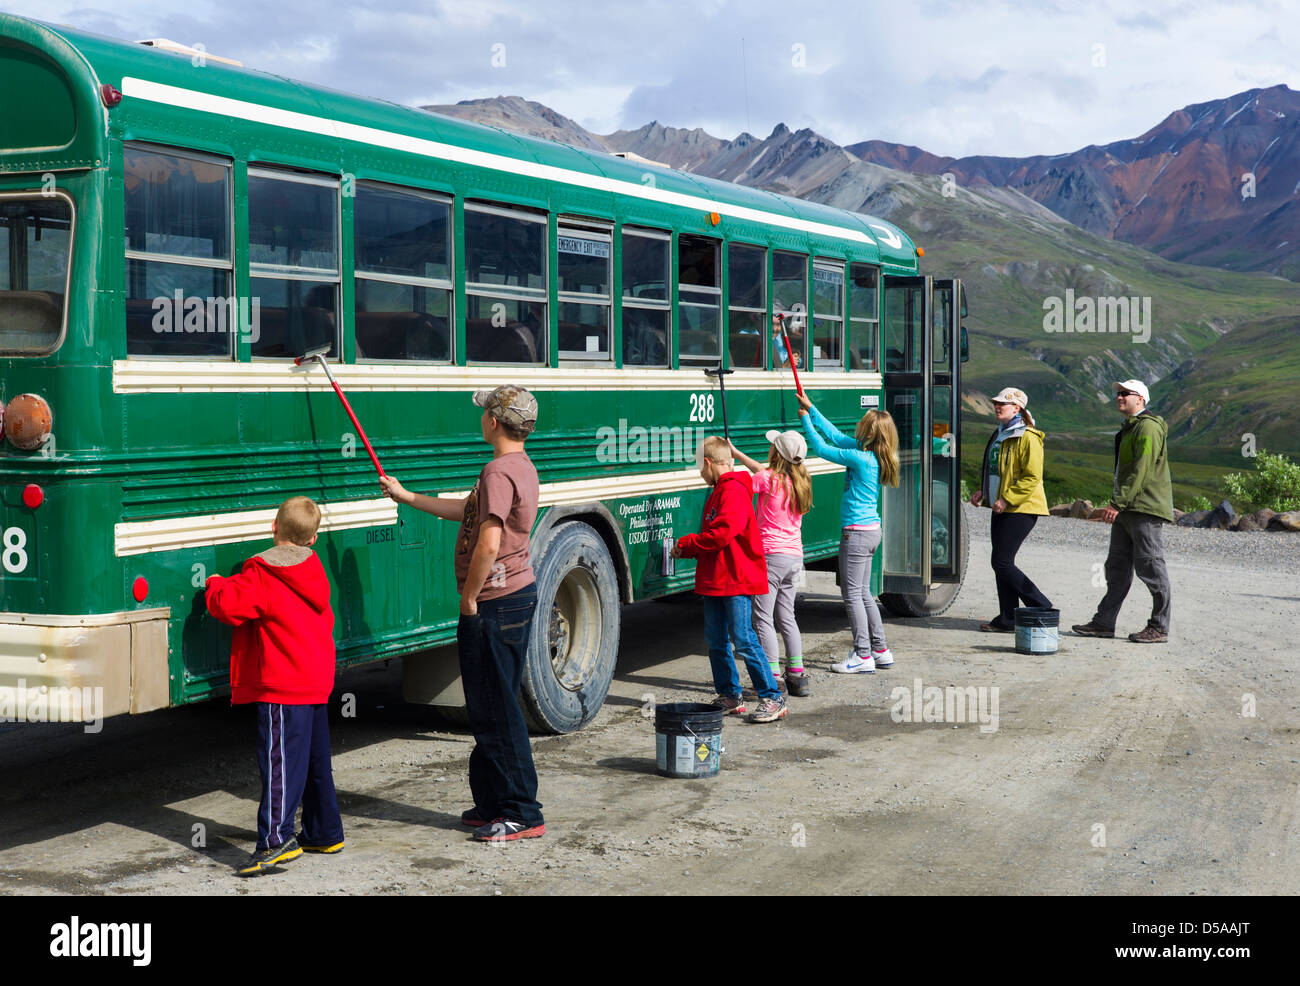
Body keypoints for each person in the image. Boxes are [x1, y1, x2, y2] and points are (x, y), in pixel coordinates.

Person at [380, 385, 546, 841]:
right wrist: (408, 497)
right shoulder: (520, 466)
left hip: (494, 602)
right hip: (516, 596)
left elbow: (489, 543)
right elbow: (470, 513)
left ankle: (521, 811)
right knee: (493, 704)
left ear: (494, 421)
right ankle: (493, 801)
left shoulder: (497, 470)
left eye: (483, 413)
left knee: (497, 709)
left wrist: (470, 598)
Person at [205, 495, 344, 877]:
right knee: (315, 762)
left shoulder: (264, 573)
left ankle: (275, 840)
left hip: (283, 686)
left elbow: (228, 607)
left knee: (280, 765)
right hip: (315, 682)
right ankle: (324, 831)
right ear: (313, 540)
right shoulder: (313, 568)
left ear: (273, 528)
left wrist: (215, 583)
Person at [672, 436, 787, 723]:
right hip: (717, 578)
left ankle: (772, 696)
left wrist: (686, 545)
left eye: (700, 467)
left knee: (743, 639)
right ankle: (730, 695)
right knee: (716, 640)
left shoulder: (732, 491)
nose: (700, 473)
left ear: (709, 463)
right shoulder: (721, 490)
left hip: (735, 578)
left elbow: (722, 533)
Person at [798, 392, 899, 673]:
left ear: (869, 432)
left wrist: (805, 422)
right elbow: (834, 434)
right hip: (870, 532)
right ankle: (880, 650)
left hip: (855, 534)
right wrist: (812, 408)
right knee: (864, 593)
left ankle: (862, 654)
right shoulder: (872, 454)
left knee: (852, 595)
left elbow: (821, 448)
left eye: (863, 424)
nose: (858, 426)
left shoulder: (861, 459)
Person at [1072, 379, 1174, 643]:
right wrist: (1120, 503)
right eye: (1118, 393)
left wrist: (1117, 502)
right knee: (1116, 567)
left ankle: (1159, 627)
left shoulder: (1148, 428)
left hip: (1145, 508)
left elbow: (1142, 468)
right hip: (1128, 507)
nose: (1119, 397)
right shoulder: (1130, 428)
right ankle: (1104, 623)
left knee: (1151, 566)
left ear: (1140, 399)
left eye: (1125, 394)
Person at [731, 430, 814, 697]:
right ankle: (797, 676)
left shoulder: (768, 480)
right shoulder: (798, 480)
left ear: (776, 454)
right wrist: (738, 453)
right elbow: (762, 472)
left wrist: (727, 465)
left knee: (763, 618)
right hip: (794, 558)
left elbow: (747, 482)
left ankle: (772, 677)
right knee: (786, 616)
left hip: (771, 557)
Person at [970, 387, 1053, 632]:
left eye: (1003, 404)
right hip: (1001, 507)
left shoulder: (1028, 437)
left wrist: (1006, 498)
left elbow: (1032, 477)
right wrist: (983, 491)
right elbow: (997, 469)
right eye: (996, 403)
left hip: (1022, 507)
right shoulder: (1000, 433)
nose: (997, 407)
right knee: (1001, 563)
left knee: (1002, 562)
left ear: (1018, 408)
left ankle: (1041, 605)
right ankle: (1007, 618)